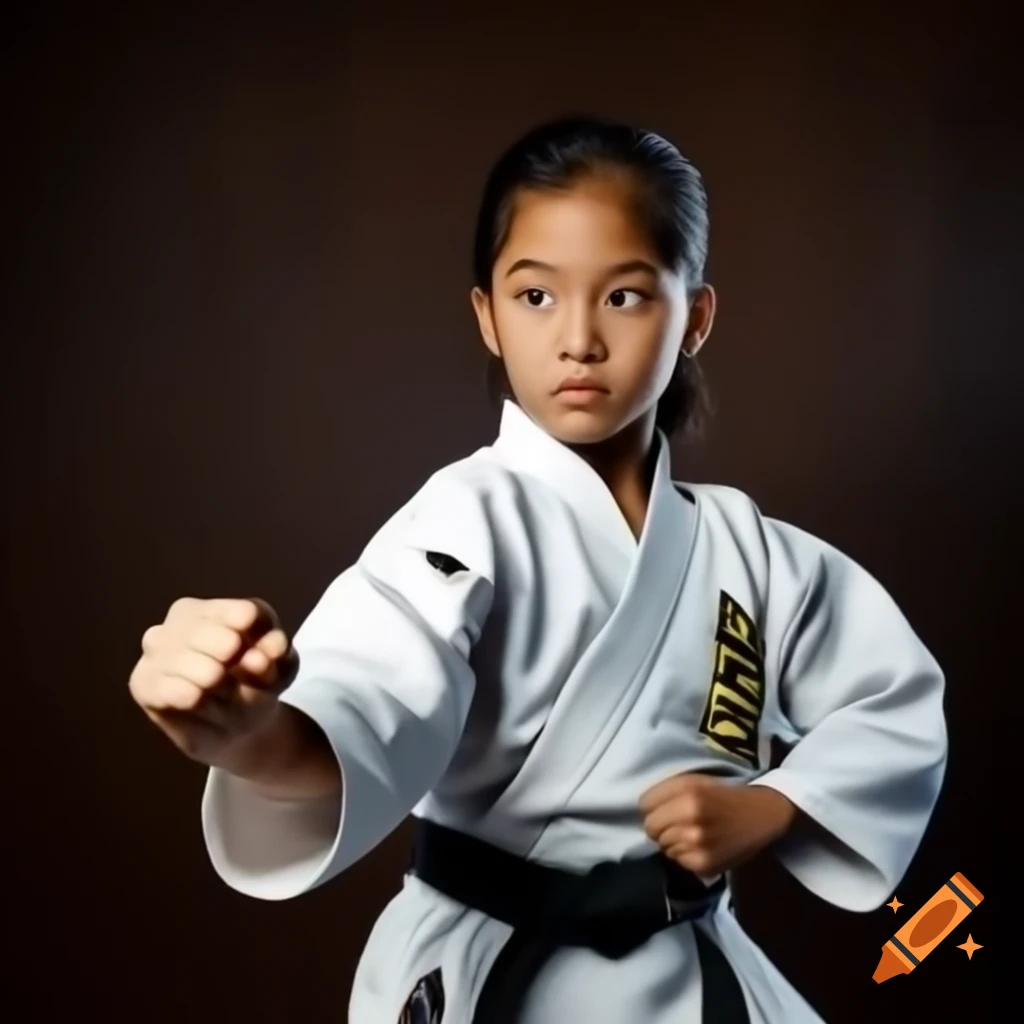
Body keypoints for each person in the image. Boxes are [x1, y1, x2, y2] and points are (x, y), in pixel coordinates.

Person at [128, 115, 948, 1023]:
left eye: (627, 297)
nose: (579, 340)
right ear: (486, 314)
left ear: (696, 318)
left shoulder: (752, 553)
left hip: (690, 974)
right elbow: (367, 700)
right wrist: (246, 733)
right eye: (535, 297)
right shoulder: (463, 518)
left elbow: (895, 702)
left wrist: (779, 805)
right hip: (493, 978)